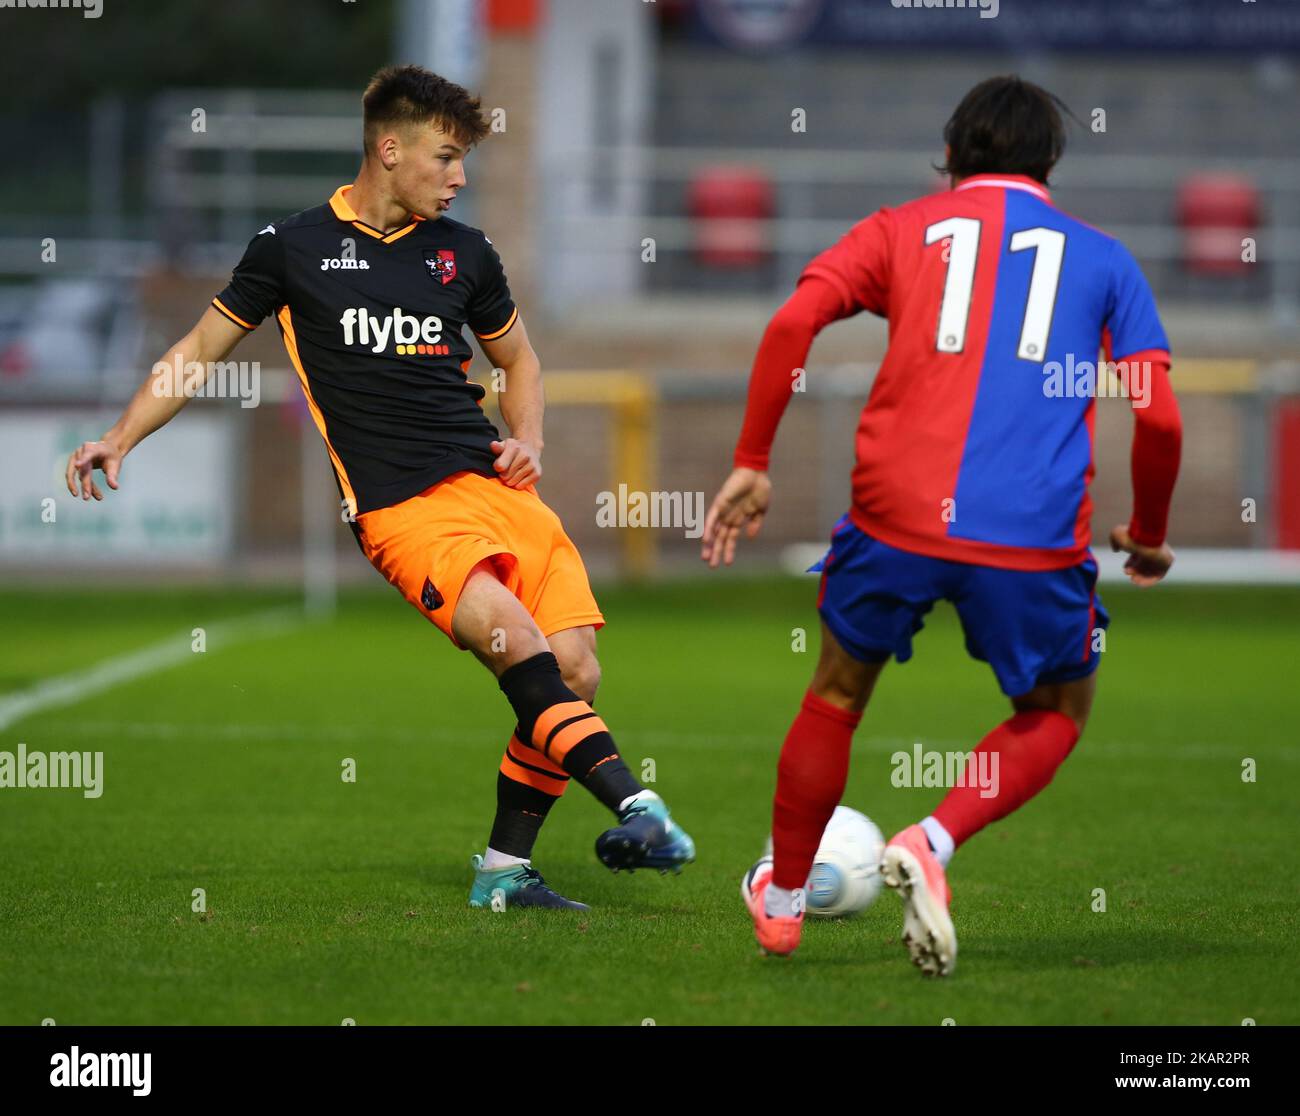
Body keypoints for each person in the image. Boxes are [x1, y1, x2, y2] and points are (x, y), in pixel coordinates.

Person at [66, 64, 694, 912]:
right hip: (403, 508)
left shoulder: (465, 253)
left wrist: (531, 438)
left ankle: (504, 874)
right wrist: (119, 434)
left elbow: (519, 361)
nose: (459, 175)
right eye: (446, 155)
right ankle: (639, 805)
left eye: (464, 159)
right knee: (518, 643)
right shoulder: (290, 248)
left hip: (500, 489)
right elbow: (199, 351)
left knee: (577, 671)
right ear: (389, 150)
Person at [702, 76, 1180, 974]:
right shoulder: (1105, 259)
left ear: (952, 154)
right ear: (1051, 164)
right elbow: (1158, 417)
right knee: (1056, 710)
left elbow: (794, 318)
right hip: (1031, 534)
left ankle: (783, 904)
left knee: (838, 693)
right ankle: (933, 839)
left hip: (895, 515)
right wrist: (1148, 529)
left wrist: (753, 460)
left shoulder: (898, 229)